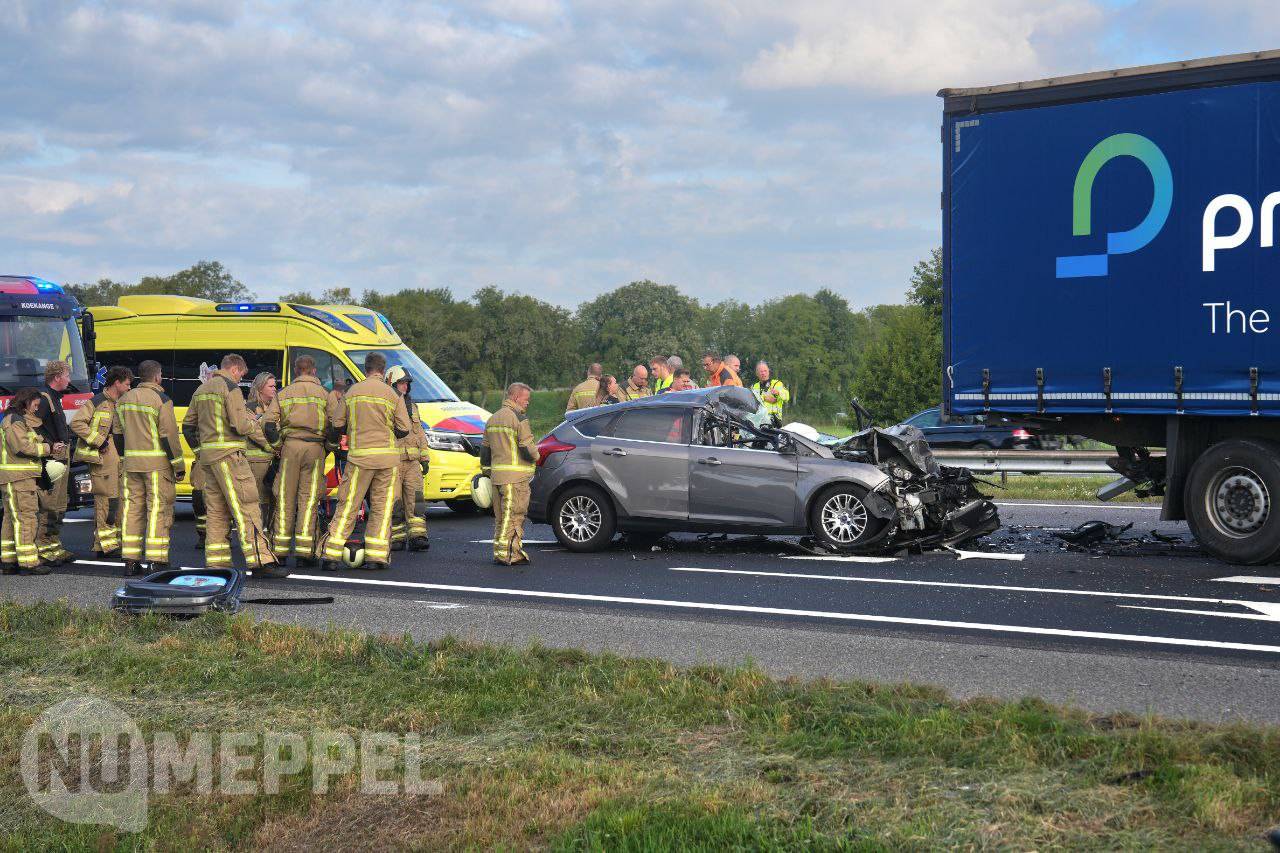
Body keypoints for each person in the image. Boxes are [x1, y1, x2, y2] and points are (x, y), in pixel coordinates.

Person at [182, 354, 283, 577]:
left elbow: (188, 427)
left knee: (217, 512)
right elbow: (239, 424)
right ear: (235, 369)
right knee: (247, 506)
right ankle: (261, 561)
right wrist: (254, 425)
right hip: (230, 457)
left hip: (208, 460)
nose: (240, 380)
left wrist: (201, 452)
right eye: (241, 375)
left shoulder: (202, 390)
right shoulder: (230, 388)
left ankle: (217, 564)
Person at [317, 352, 412, 572]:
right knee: (381, 507)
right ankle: (376, 557)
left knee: (348, 505)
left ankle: (331, 555)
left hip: (359, 458)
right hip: (387, 460)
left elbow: (338, 423)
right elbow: (404, 428)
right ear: (383, 369)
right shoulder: (392, 394)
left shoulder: (352, 392)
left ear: (366, 368)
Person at [113, 359, 185, 576]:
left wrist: (126, 457)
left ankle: (130, 561)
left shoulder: (123, 400)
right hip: (156, 465)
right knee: (157, 510)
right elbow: (168, 435)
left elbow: (117, 434)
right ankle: (156, 560)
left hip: (131, 464)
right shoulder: (161, 400)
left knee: (132, 510)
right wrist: (178, 465)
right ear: (157, 376)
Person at [267, 355, 330, 568]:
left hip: (290, 448)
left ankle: (280, 551)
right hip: (315, 448)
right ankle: (305, 553)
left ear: (296, 372)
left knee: (284, 498)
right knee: (309, 499)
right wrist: (328, 448)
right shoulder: (325, 394)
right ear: (313, 371)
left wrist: (278, 446)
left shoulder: (283, 394)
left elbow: (267, 424)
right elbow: (336, 424)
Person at [70, 365, 132, 558]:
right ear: (117, 383)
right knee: (105, 501)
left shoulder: (123, 402)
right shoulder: (96, 402)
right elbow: (76, 423)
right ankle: (103, 546)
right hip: (102, 459)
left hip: (118, 460)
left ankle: (113, 541)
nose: (130, 388)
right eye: (128, 384)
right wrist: (99, 441)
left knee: (118, 501)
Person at [1, 387, 59, 575]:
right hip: (20, 478)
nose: (36, 409)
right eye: (35, 405)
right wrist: (47, 448)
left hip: (13, 477)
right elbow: (22, 447)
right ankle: (28, 563)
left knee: (12, 519)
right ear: (26, 401)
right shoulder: (16, 421)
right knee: (27, 518)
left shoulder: (13, 419)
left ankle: (9, 560)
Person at [481, 382, 539, 566]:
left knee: (501, 517)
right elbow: (526, 448)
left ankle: (499, 551)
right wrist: (537, 456)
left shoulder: (492, 418)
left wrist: (488, 472)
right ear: (515, 397)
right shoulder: (518, 418)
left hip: (497, 477)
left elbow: (485, 453)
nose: (527, 403)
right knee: (514, 515)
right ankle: (509, 554)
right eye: (526, 399)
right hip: (515, 479)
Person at [33, 360, 74, 565]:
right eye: (67, 375)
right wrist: (51, 444)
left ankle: (54, 545)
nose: (69, 380)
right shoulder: (43, 398)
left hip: (61, 456)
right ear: (57, 377)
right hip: (52, 459)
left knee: (59, 505)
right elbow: (34, 427)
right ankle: (43, 547)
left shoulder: (54, 398)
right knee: (49, 505)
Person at [386, 365, 430, 552]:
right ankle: (396, 538)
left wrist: (424, 457)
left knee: (416, 500)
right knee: (395, 503)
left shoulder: (413, 406)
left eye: (406, 384)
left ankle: (418, 536)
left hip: (412, 462)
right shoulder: (386, 404)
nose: (405, 387)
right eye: (401, 383)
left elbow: (419, 433)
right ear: (392, 384)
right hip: (393, 462)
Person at [246, 371, 279, 527]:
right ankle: (259, 530)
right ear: (260, 388)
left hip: (274, 460)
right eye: (271, 386)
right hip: (256, 461)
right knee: (258, 497)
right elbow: (253, 430)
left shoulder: (275, 407)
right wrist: (270, 446)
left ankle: (270, 530)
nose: (275, 389)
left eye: (275, 386)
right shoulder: (250, 408)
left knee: (274, 495)